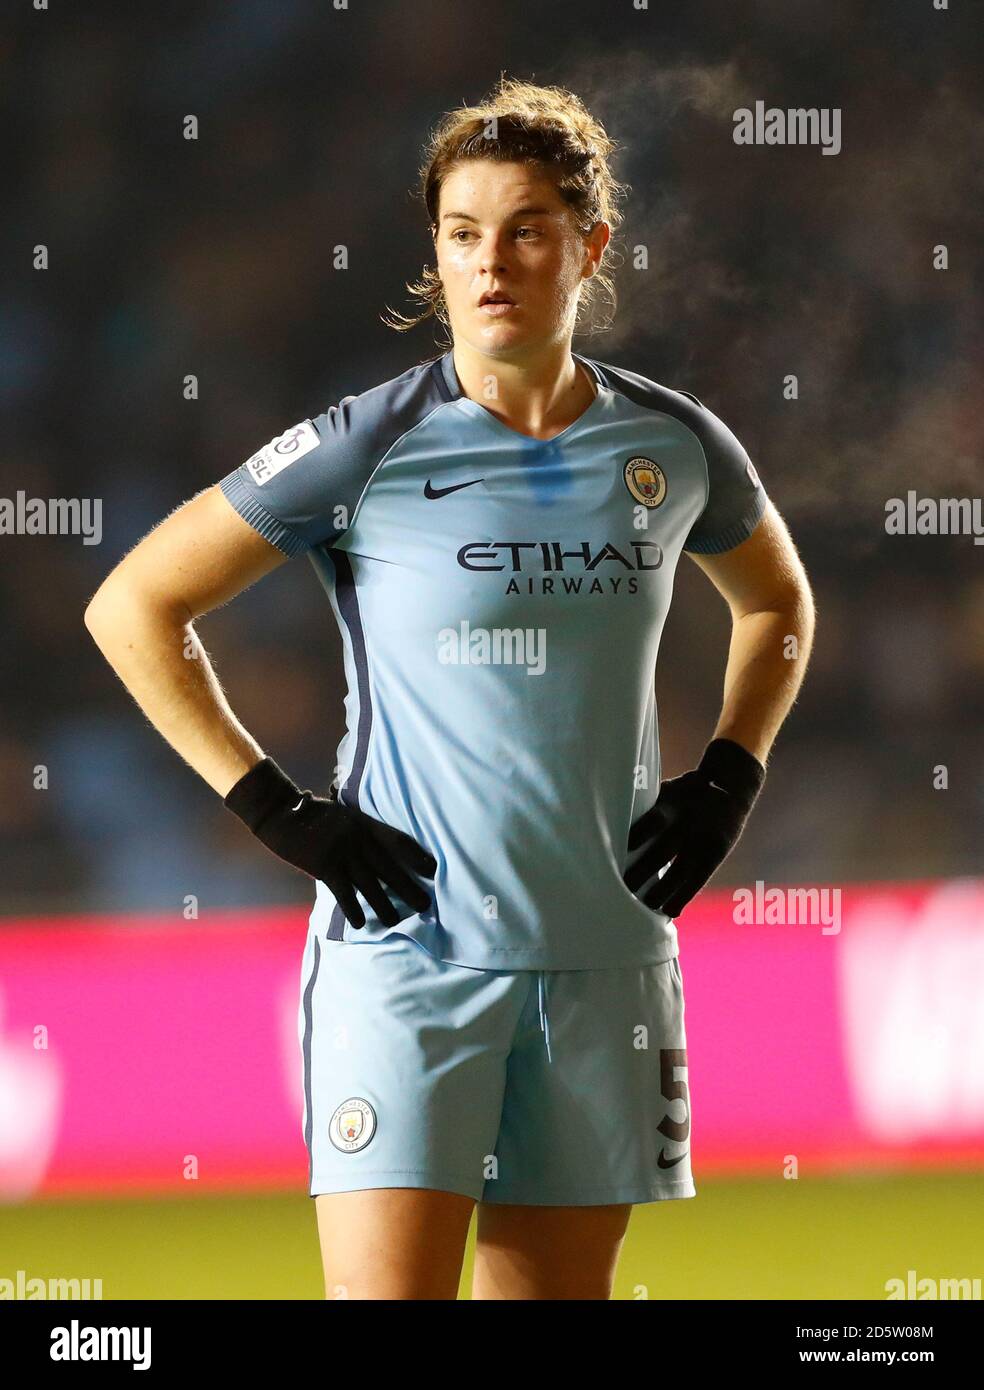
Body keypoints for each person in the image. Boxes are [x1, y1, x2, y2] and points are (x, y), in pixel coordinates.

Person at [84, 77, 815, 1300]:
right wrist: (273, 806)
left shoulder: (672, 446)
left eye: (528, 228)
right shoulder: (367, 444)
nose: (493, 262)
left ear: (590, 245)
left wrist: (733, 771)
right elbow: (135, 606)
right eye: (463, 233)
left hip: (604, 963)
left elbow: (780, 604)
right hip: (408, 958)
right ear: (435, 252)